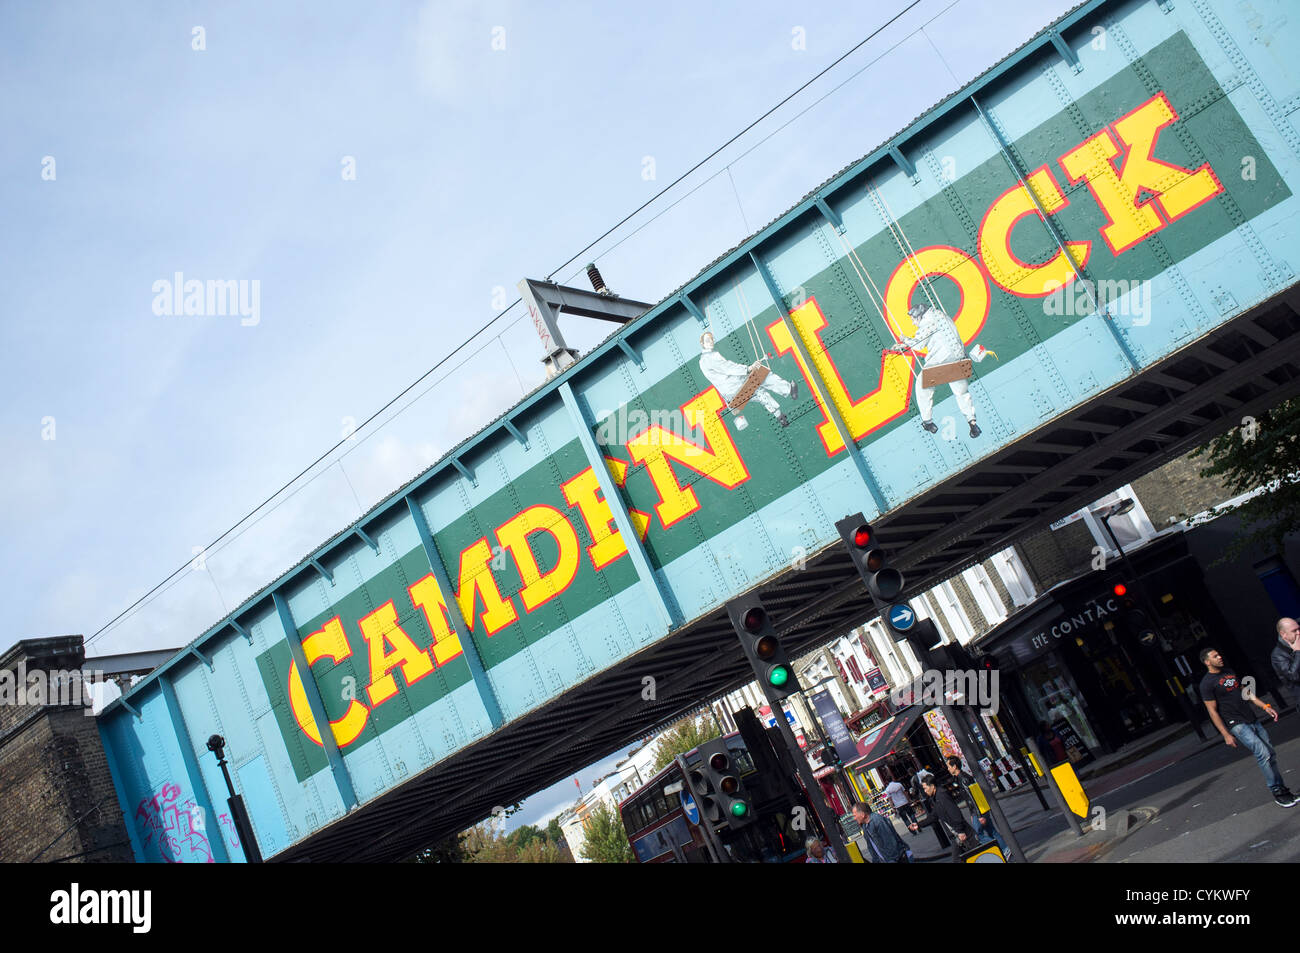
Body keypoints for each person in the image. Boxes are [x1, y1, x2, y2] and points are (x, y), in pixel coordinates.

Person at [1199, 646, 1299, 807]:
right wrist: (1225, 734)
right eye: (1215, 656)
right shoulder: (1206, 684)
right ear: (1207, 661)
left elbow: (1246, 692)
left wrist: (1265, 706)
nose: (1219, 657)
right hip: (1236, 724)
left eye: (1219, 654)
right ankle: (1277, 791)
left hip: (1251, 719)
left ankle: (1283, 789)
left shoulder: (1228, 671)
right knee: (1263, 753)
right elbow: (1212, 711)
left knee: (1270, 753)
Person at [898, 303, 989, 439]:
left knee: (922, 386)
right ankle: (973, 423)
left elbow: (918, 344)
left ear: (920, 315)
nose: (913, 323)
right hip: (959, 358)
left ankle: (928, 422)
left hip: (941, 362)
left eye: (913, 319)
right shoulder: (941, 315)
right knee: (962, 393)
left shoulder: (927, 321)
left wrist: (904, 339)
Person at [697, 331, 797, 431]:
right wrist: (748, 369)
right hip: (736, 388)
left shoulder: (702, 361)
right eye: (707, 340)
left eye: (712, 339)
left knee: (759, 392)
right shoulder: (711, 357)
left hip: (731, 397)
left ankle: (780, 417)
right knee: (760, 372)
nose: (711, 341)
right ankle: (788, 389)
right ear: (702, 343)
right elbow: (727, 367)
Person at [946, 755, 1011, 860]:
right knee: (991, 831)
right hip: (980, 809)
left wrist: (978, 815)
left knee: (979, 835)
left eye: (949, 766)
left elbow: (972, 798)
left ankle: (997, 847)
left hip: (978, 810)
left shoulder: (963, 779)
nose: (948, 769)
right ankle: (1005, 849)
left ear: (954, 767)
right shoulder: (961, 778)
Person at [908, 778, 976, 861]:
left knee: (973, 855)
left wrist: (960, 831)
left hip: (962, 833)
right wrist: (919, 825)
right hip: (956, 835)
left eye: (925, 788)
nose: (925, 791)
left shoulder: (942, 795)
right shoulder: (935, 798)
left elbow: (955, 812)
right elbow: (933, 816)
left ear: (932, 786)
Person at [1270, 617, 1300, 709]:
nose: (1298, 632)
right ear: (1283, 634)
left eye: (1299, 629)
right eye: (1294, 631)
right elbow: (1293, 676)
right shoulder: (1278, 655)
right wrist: (1298, 652)